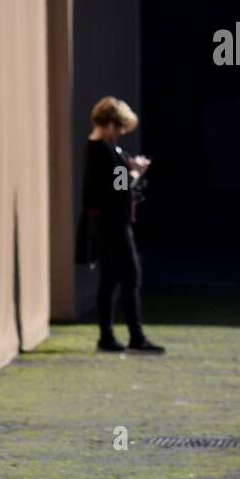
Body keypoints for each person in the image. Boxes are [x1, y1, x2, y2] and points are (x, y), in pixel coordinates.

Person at [75, 96, 164, 355]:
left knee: (110, 280)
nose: (122, 133)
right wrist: (135, 173)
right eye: (121, 127)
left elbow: (116, 179)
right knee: (130, 277)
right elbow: (118, 187)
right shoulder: (101, 151)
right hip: (111, 222)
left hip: (105, 221)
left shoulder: (104, 149)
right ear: (110, 124)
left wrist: (128, 169)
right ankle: (135, 336)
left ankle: (108, 336)